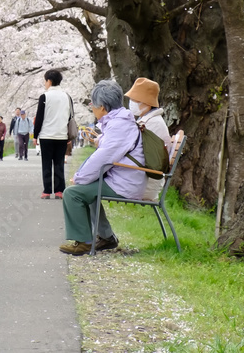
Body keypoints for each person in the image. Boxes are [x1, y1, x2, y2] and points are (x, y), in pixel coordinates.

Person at [59, 79, 146, 255]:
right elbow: (111, 149)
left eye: (93, 105)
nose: (92, 108)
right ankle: (106, 238)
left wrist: (79, 177)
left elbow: (103, 157)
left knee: (72, 193)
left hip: (125, 183)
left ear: (103, 108)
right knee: (86, 188)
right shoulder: (121, 121)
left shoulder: (119, 126)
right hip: (125, 178)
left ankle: (83, 242)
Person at [125, 77, 172, 202]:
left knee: (90, 186)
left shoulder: (152, 124)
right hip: (143, 179)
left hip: (144, 184)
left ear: (145, 101)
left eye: (134, 100)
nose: (131, 103)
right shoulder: (149, 121)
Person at [33, 69, 71, 199]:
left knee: (47, 163)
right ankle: (60, 191)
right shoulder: (67, 96)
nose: (45, 83)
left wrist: (35, 135)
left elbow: (39, 118)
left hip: (46, 135)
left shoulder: (45, 96)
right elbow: (70, 116)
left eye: (45, 81)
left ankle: (47, 191)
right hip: (62, 135)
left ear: (49, 81)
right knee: (59, 163)